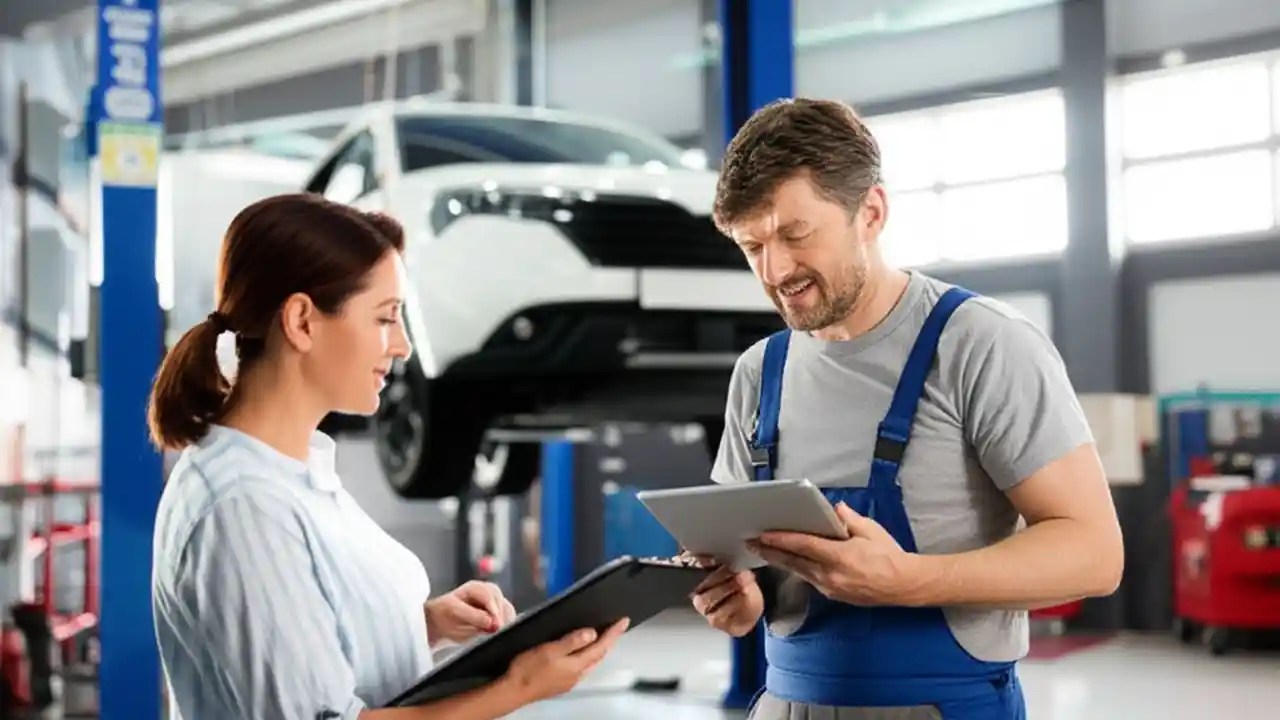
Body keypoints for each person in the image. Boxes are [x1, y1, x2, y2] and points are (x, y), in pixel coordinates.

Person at [689, 98, 1124, 719]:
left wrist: (908, 580)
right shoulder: (761, 371)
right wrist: (742, 597)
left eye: (795, 234)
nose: (775, 269)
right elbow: (742, 558)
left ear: (870, 212)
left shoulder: (983, 344)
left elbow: (1096, 554)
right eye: (752, 245)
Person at [148, 193, 628, 720]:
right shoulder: (241, 507)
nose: (401, 344)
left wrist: (424, 622)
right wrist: (517, 687)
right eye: (385, 317)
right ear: (303, 321)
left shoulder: (295, 472)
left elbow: (308, 646)